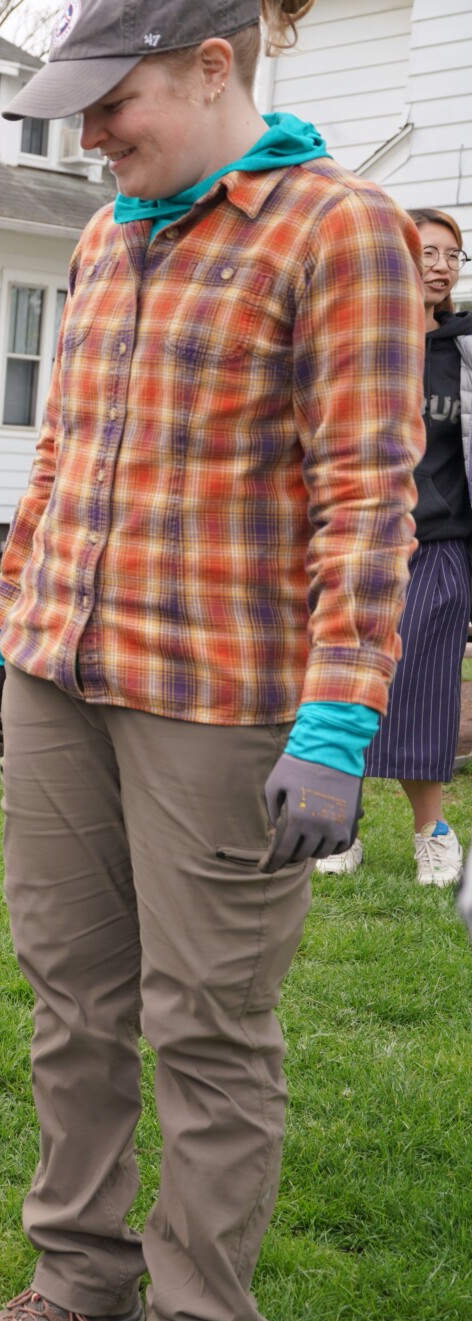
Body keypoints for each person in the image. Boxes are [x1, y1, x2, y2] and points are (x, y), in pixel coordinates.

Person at [0, 3, 423, 1321]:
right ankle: (82, 1278)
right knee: (72, 997)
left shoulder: (339, 229)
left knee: (209, 1026)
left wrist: (340, 717)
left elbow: (366, 497)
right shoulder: (108, 235)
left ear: (214, 68)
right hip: (60, 672)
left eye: (116, 104)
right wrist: (0, 631)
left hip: (221, 701)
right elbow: (58, 456)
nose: (91, 136)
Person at [316, 208, 472, 886]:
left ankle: (431, 831)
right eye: (426, 252)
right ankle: (336, 823)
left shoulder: (465, 351)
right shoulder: (358, 343)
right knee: (342, 679)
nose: (440, 265)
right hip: (358, 544)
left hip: (438, 542)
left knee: (424, 689)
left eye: (452, 256)